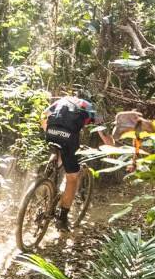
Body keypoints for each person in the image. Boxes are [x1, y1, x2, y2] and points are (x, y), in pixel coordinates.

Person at [40, 90, 113, 231]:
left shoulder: (63, 100)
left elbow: (43, 115)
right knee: (72, 178)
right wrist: (112, 150)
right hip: (68, 137)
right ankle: (62, 219)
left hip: (51, 131)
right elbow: (103, 132)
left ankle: (49, 173)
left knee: (59, 150)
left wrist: (49, 131)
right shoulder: (89, 107)